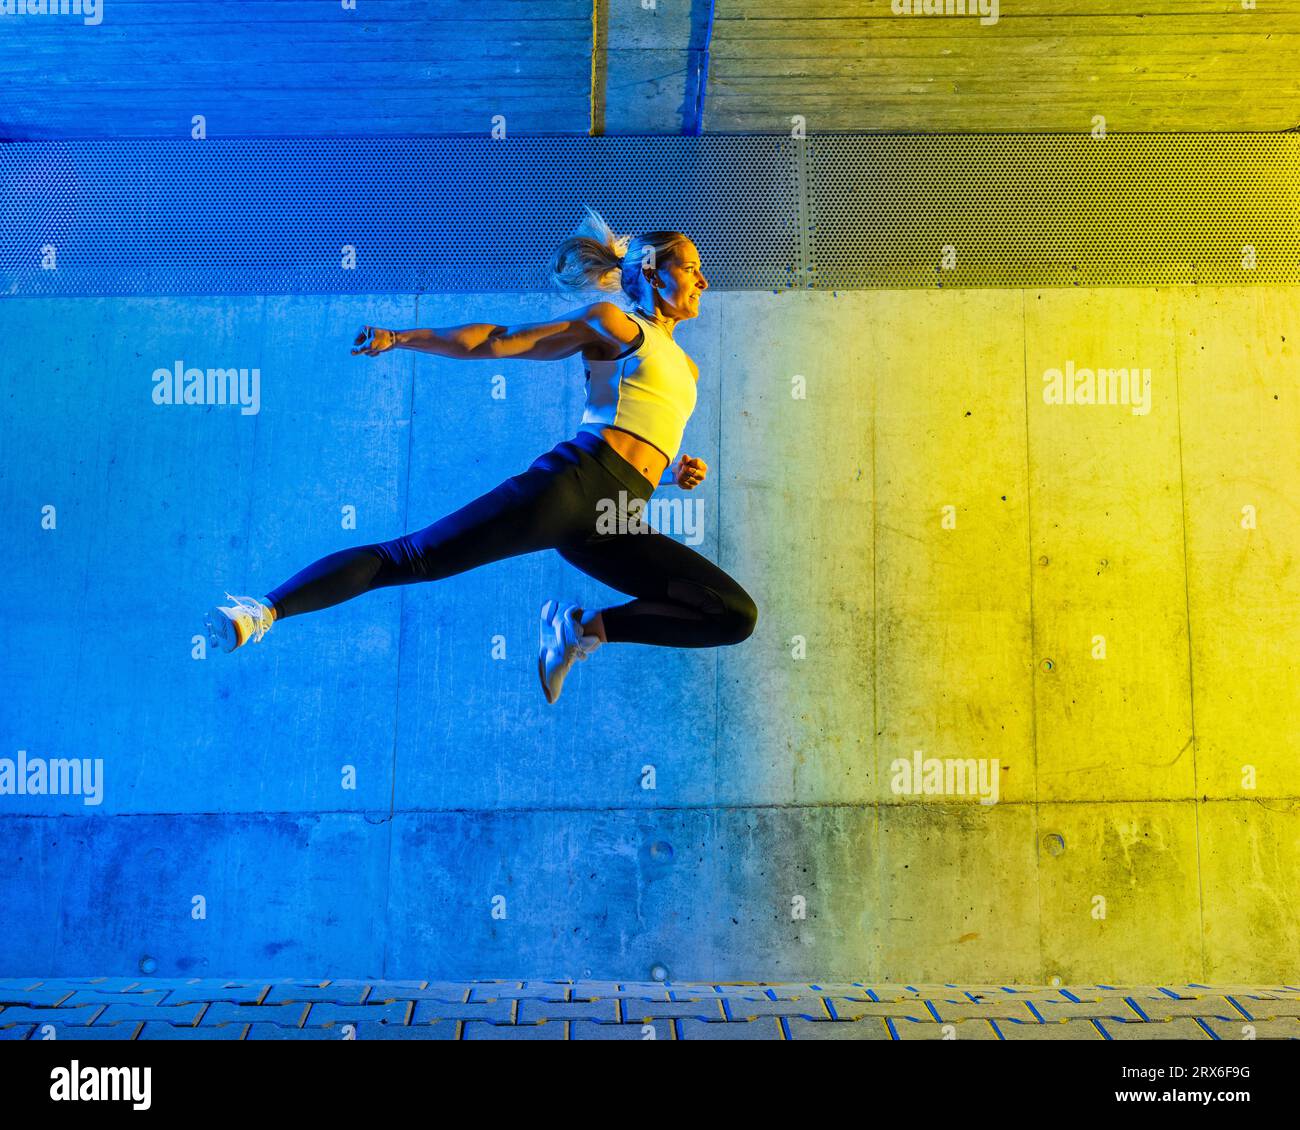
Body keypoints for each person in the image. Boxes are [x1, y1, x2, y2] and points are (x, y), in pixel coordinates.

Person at [204, 206, 757, 703]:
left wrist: (666, 473)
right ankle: (262, 610)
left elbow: (636, 426)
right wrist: (402, 338)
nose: (704, 280)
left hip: (616, 516)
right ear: (654, 272)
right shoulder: (617, 325)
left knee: (731, 614)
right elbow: (499, 339)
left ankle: (584, 630)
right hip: (574, 487)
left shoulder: (687, 368)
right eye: (691, 268)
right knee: (412, 558)